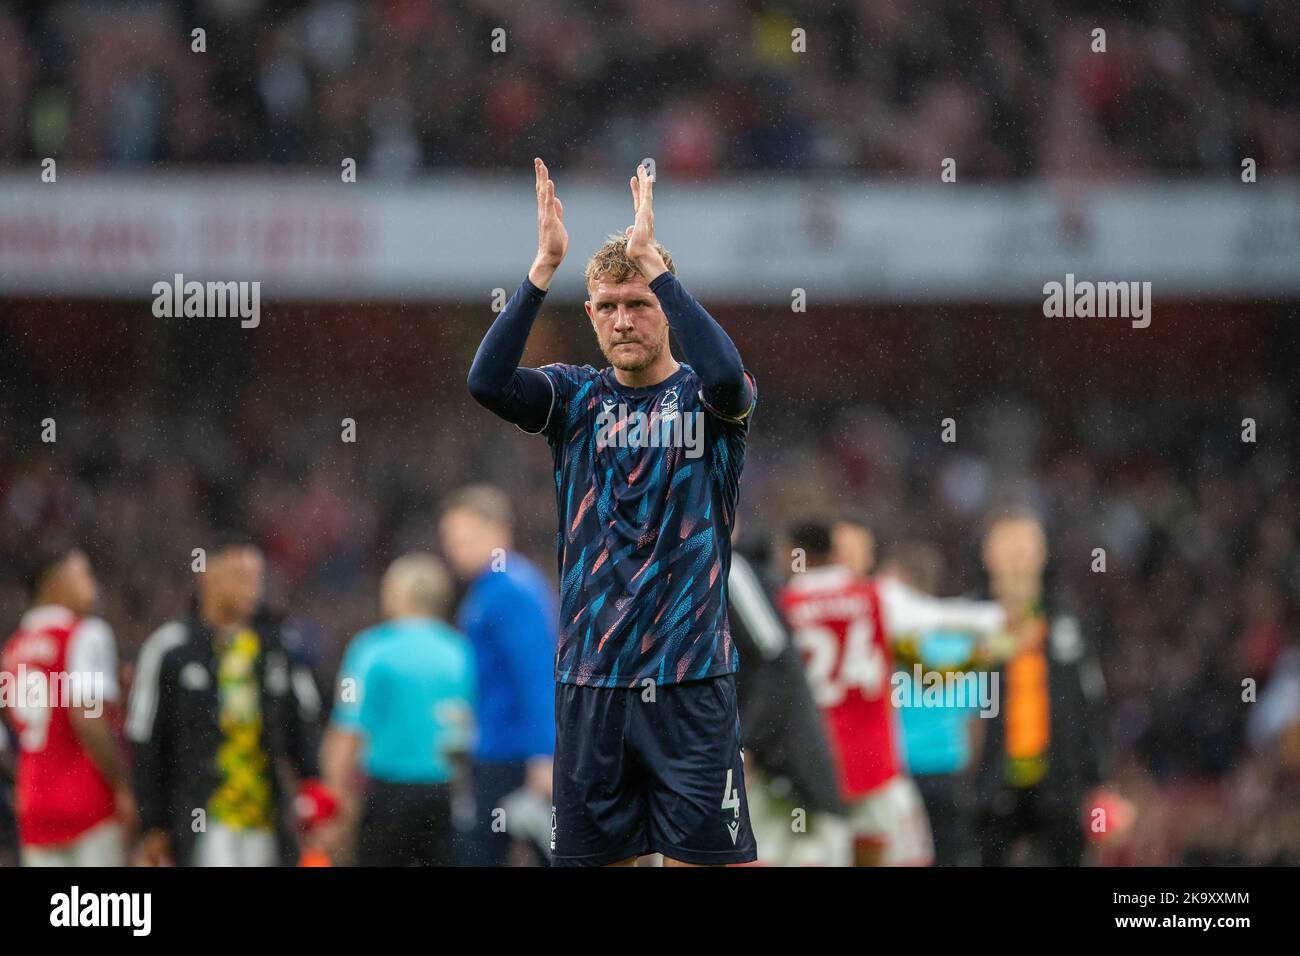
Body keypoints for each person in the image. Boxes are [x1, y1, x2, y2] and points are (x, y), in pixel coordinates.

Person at [467, 158, 758, 866]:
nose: (623, 319)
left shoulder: (707, 402)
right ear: (591, 314)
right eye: (607, 306)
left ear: (664, 304)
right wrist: (542, 271)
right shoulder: (574, 399)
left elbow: (726, 375)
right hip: (592, 688)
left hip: (690, 685)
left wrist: (659, 269)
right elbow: (487, 382)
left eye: (639, 302)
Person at [779, 519, 1008, 866]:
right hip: (873, 765)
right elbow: (941, 621)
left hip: (812, 764)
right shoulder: (876, 598)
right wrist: (996, 624)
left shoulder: (784, 604)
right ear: (836, 553)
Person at [127, 533, 322, 866]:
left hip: (266, 819)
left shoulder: (276, 647)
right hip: (204, 818)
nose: (253, 588)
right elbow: (147, 740)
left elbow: (302, 723)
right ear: (207, 575)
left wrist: (313, 790)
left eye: (257, 578)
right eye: (240, 577)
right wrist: (153, 822)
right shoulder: (170, 650)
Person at [321, 554, 475, 867]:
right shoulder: (462, 652)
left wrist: (333, 797)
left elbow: (348, 727)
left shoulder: (370, 650)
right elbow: (463, 730)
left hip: (387, 797)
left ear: (394, 595)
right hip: (442, 796)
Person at [974, 508, 1105, 866]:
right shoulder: (967, 623)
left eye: (1028, 544)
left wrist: (1099, 782)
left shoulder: (1067, 620)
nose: (1018, 554)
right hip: (986, 788)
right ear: (987, 553)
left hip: (1058, 788)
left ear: (1044, 553)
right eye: (1008, 543)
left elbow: (1090, 704)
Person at [438, 486, 555, 866]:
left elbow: (537, 674)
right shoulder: (491, 587)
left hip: (511, 755)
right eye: (451, 541)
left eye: (465, 539)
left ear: (498, 532)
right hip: (496, 747)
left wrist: (544, 754)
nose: (456, 549)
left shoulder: (510, 591)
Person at [0, 543, 132, 866]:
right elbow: (87, 718)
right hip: (87, 800)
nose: (93, 585)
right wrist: (122, 787)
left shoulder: (12, 649)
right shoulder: (84, 634)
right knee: (102, 913)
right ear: (55, 583)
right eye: (84, 574)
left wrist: (24, 779)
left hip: (34, 804)